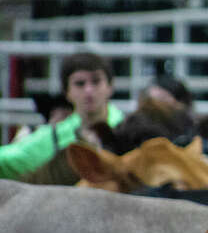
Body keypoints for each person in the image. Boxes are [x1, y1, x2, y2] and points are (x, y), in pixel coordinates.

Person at [0, 52, 124, 180]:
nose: (88, 90)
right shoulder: (55, 136)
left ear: (110, 87)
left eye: (96, 81)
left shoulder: (127, 131)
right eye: (80, 83)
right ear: (67, 92)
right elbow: (6, 160)